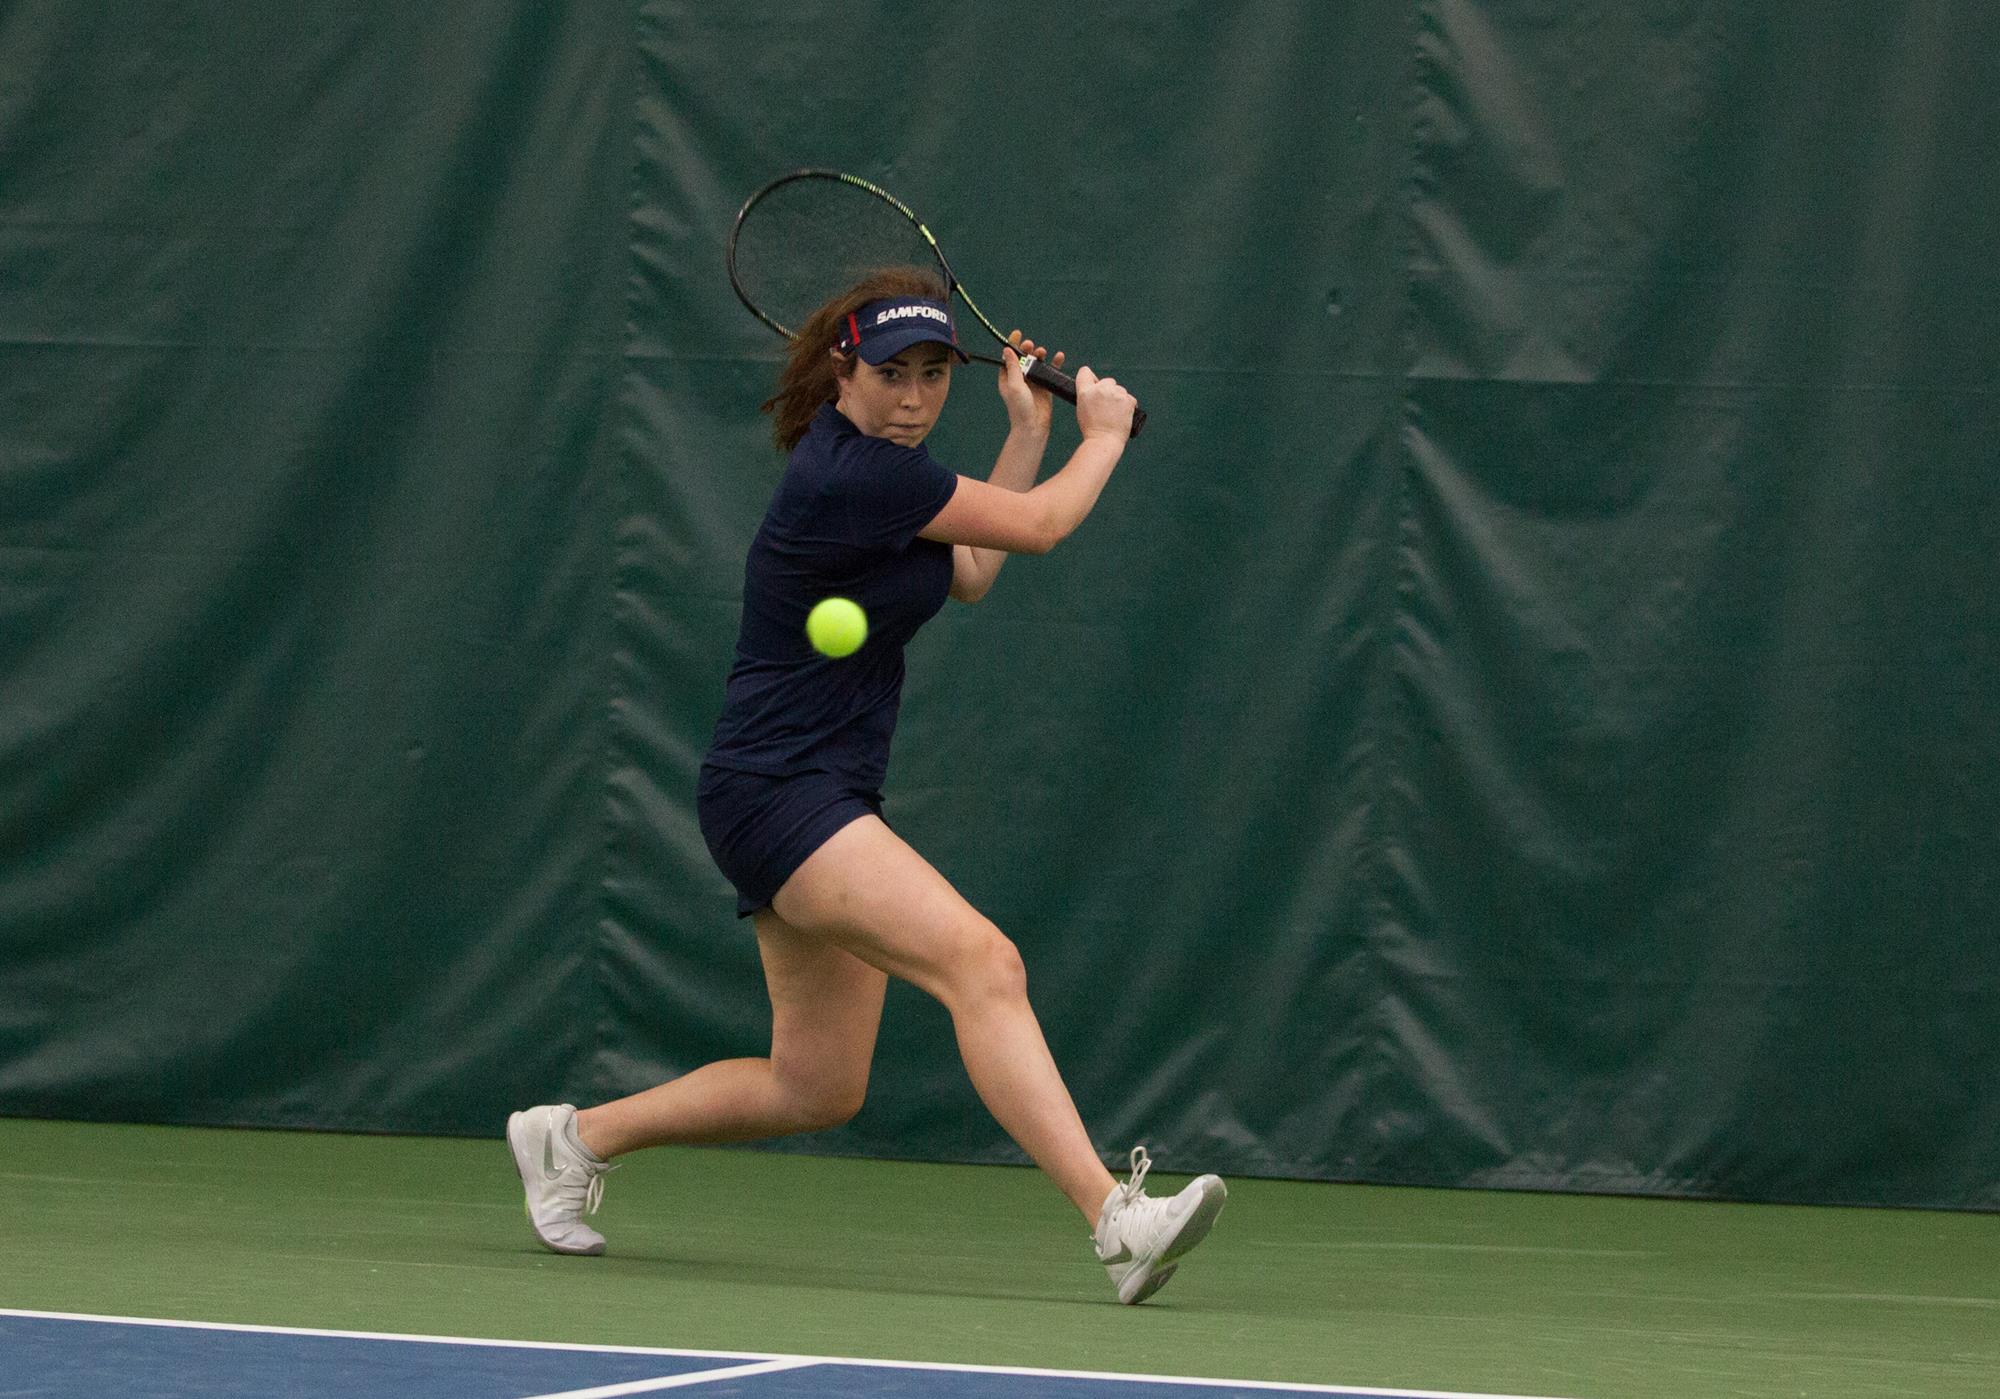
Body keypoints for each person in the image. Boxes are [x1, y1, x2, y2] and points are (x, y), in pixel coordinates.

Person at [507, 267, 1224, 1305]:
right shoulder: (851, 477)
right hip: (780, 791)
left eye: (935, 374)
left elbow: (972, 569)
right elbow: (1038, 530)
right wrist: (1098, 433)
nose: (916, 397)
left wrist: (1024, 432)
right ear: (843, 371)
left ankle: (570, 1140)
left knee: (815, 1084)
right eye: (894, 374)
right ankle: (1116, 1219)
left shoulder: (895, 472)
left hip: (807, 790)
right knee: (983, 961)